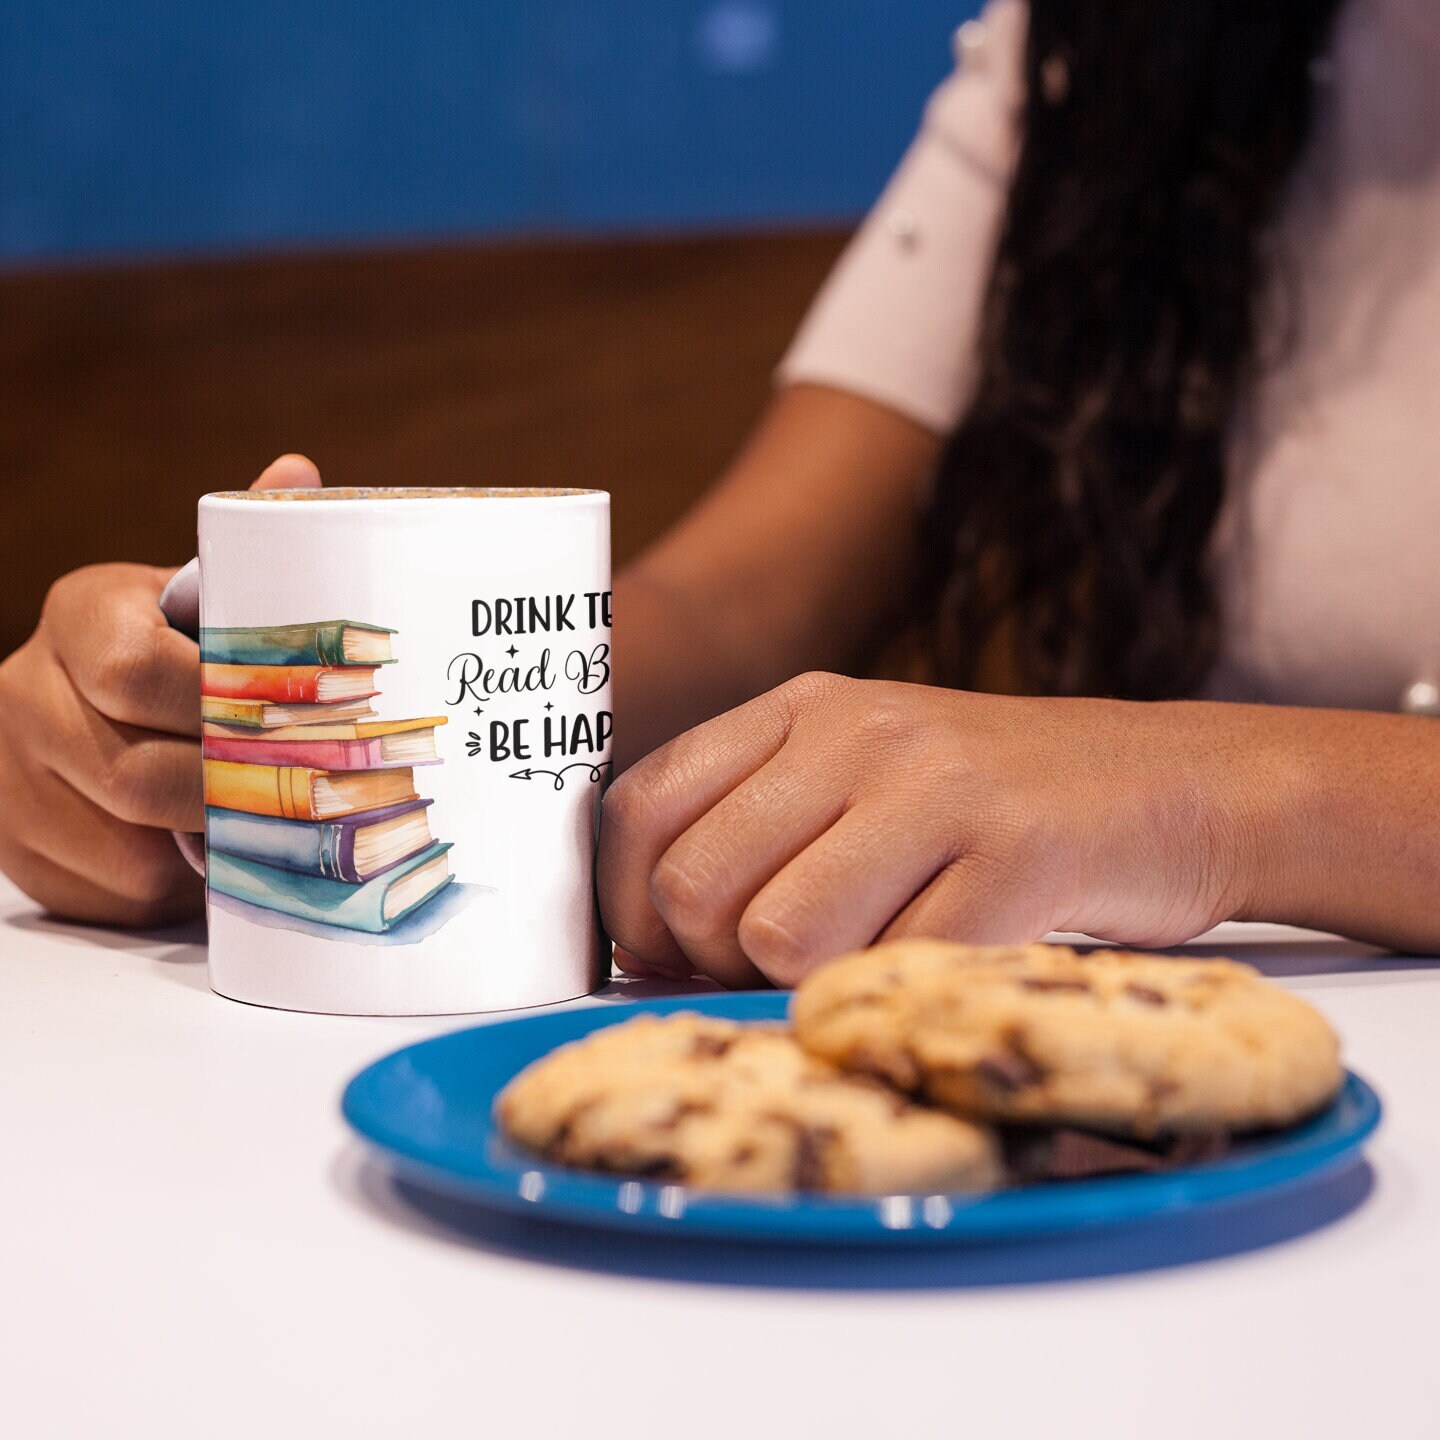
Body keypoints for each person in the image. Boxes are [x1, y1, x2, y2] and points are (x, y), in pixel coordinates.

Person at [3, 0, 1438, 987]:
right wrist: (249, 728)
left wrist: (1188, 794)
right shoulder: (1113, 45)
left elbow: (1158, 787)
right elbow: (740, 596)